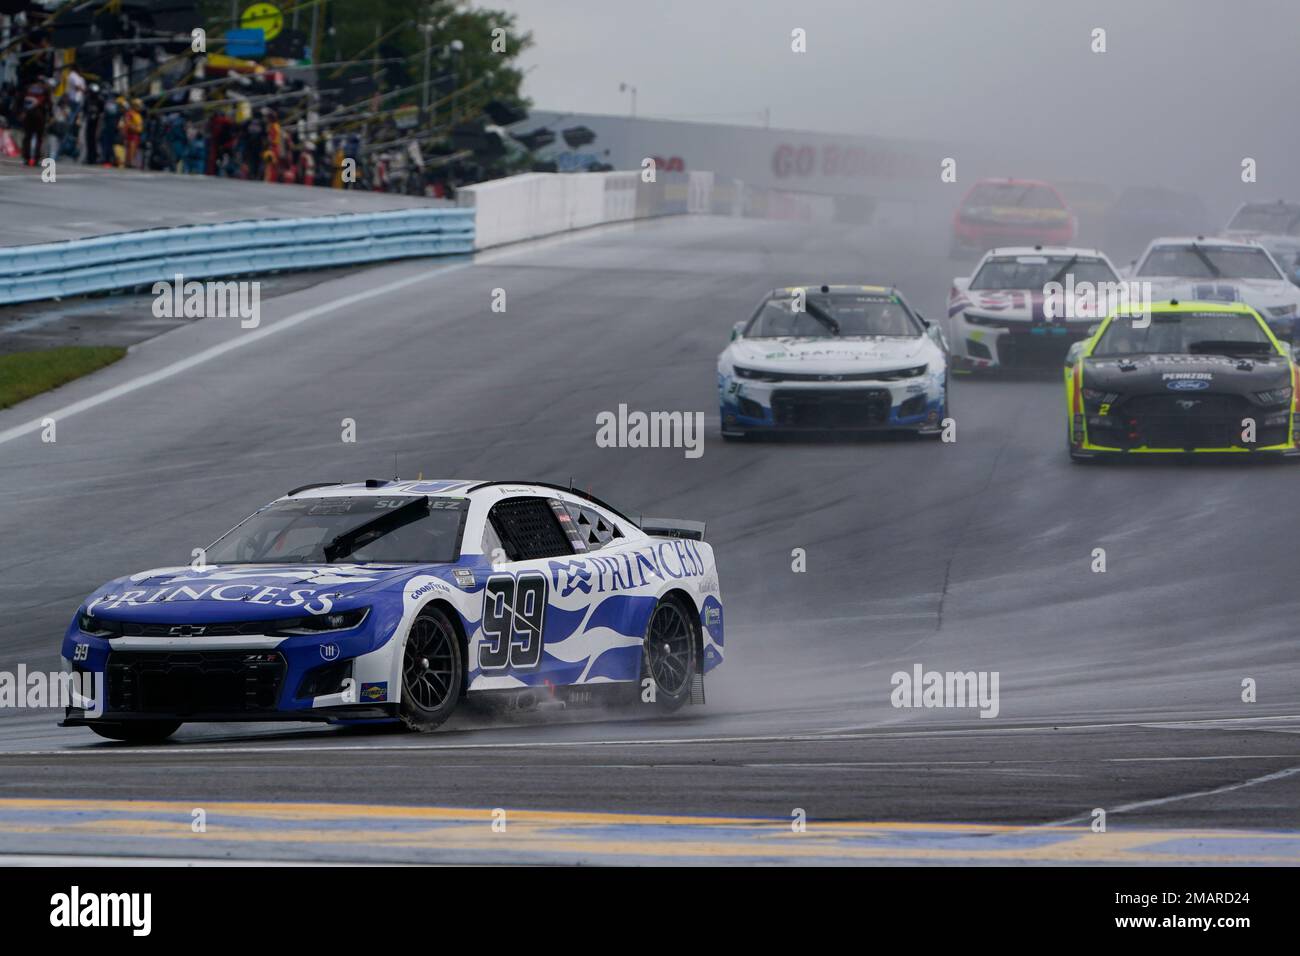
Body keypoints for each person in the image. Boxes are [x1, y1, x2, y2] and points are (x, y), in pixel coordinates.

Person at [19, 79, 49, 166]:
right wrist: (50, 115)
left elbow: (20, 100)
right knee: (39, 138)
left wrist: (20, 112)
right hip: (39, 116)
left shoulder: (27, 89)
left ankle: (26, 158)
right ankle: (36, 158)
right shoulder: (44, 90)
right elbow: (48, 104)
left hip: (28, 115)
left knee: (27, 137)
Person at [123, 98, 144, 168]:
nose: (140, 107)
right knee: (130, 148)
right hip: (131, 134)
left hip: (137, 134)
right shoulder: (130, 113)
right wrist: (135, 128)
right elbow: (127, 123)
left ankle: (131, 162)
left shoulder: (138, 114)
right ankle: (129, 162)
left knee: (135, 149)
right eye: (139, 105)